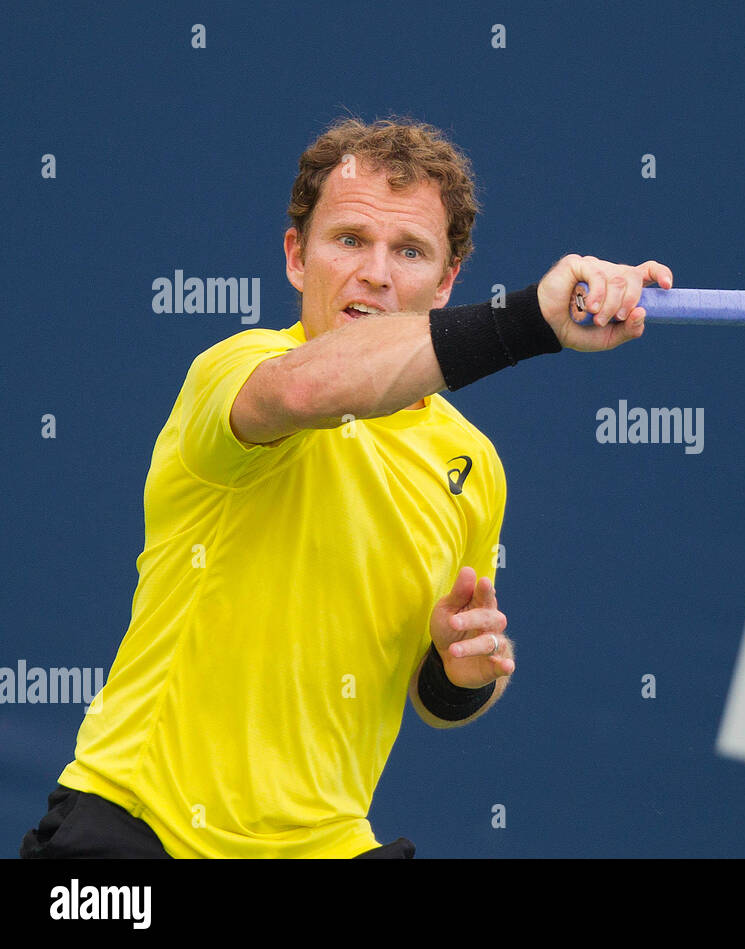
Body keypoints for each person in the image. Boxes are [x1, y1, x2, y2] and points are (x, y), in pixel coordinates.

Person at [20, 117, 672, 859]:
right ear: (297, 256)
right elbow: (315, 390)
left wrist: (462, 669)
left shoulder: (473, 463)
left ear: (447, 280)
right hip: (139, 831)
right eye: (350, 240)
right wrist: (528, 320)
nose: (376, 273)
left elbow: (443, 691)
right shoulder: (240, 371)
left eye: (410, 251)